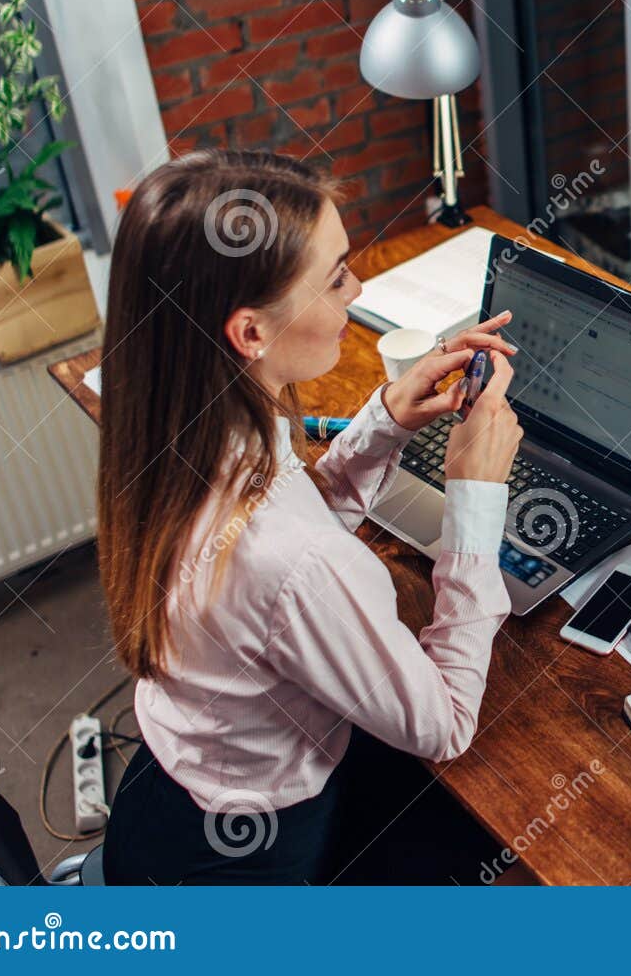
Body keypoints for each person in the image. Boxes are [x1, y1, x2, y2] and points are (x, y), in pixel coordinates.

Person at [97, 149, 522, 883]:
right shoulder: (293, 559)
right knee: (501, 826)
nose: (355, 291)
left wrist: (384, 421)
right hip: (248, 859)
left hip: (165, 789)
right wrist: (476, 498)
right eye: (334, 277)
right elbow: (445, 724)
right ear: (250, 333)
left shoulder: (170, 434)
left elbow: (289, 527)